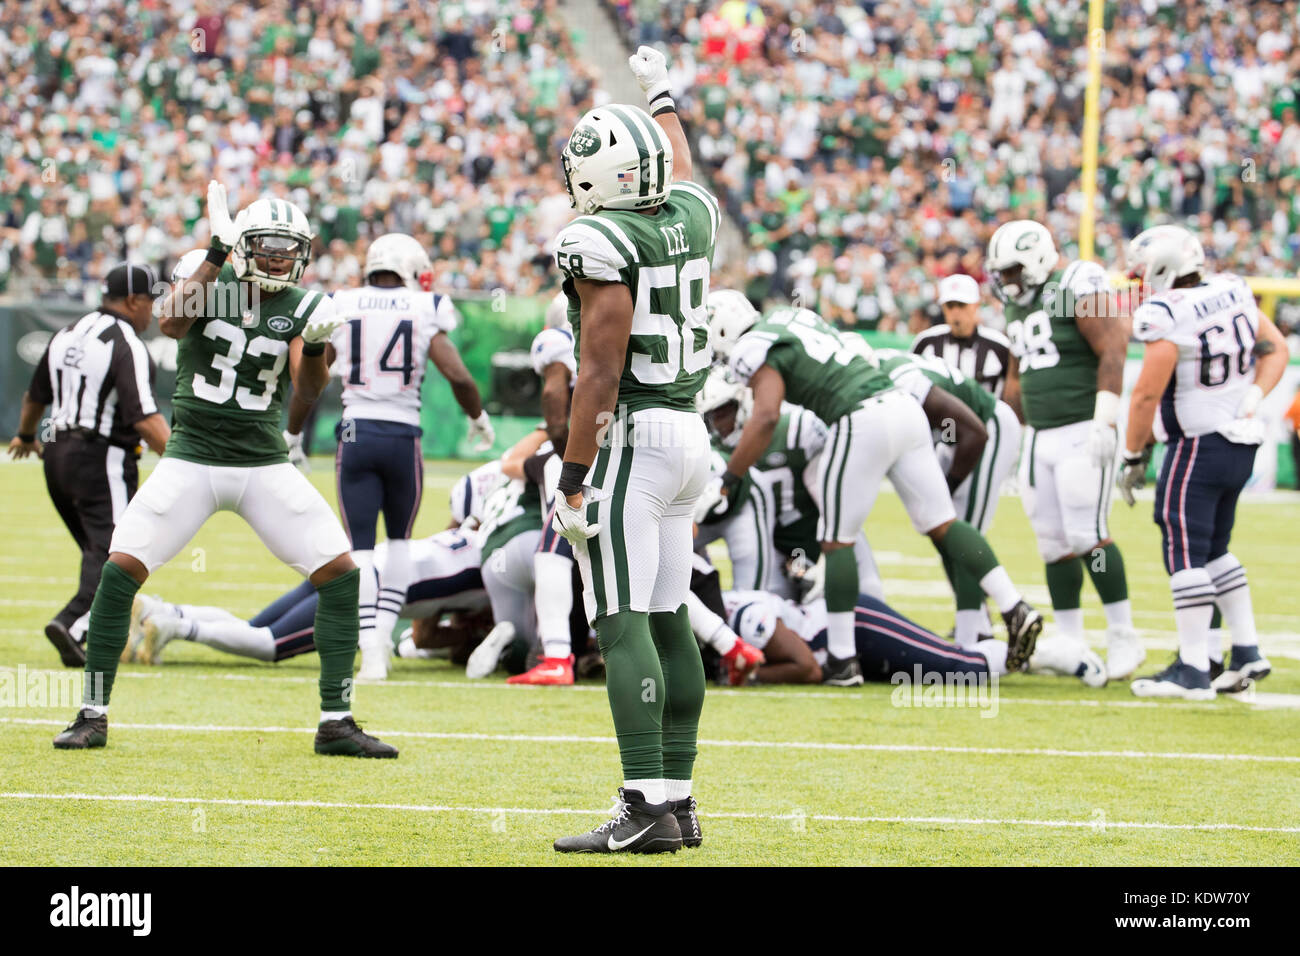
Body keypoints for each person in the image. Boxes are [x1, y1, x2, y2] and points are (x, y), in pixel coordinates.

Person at [51, 182, 395, 758]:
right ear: (243, 246)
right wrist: (215, 251)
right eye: (269, 246)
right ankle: (92, 712)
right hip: (191, 457)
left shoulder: (308, 305)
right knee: (119, 573)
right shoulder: (211, 276)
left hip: (264, 462)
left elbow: (306, 396)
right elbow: (170, 324)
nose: (281, 258)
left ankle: (336, 721)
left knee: (340, 573)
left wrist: (314, 350)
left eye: (290, 249)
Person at [547, 47, 719, 854]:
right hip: (690, 439)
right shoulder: (690, 213)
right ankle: (678, 799)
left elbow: (601, 371)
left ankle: (644, 800)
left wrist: (575, 475)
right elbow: (677, 163)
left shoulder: (598, 240)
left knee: (622, 627)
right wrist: (661, 94)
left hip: (635, 442)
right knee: (668, 616)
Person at [707, 293, 1044, 687]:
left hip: (860, 417)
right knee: (944, 523)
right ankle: (1014, 605)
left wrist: (728, 479)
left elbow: (765, 415)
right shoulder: (786, 316)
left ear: (724, 327)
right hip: (902, 408)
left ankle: (842, 659)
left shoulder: (752, 344)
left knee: (835, 540)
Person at [1119, 225, 1287, 699]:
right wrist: (1251, 398)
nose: (1137, 282)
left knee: (1184, 546)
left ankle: (1193, 670)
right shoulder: (1232, 289)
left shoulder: (1167, 310)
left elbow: (1147, 393)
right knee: (1214, 548)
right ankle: (1245, 651)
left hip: (1197, 443)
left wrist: (1133, 453)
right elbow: (1276, 350)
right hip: (1238, 440)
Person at [322, 232, 493, 680]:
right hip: (402, 434)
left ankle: (370, 648)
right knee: (398, 541)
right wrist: (477, 415)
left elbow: (312, 372)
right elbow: (456, 374)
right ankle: (380, 641)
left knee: (359, 547)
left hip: (355, 430)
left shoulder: (341, 301)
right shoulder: (425, 306)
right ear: (412, 270)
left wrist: (294, 429)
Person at [987, 219, 1144, 679]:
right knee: (1053, 542)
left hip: (1081, 427)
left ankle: (1122, 634)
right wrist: (1012, 431)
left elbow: (1114, 345)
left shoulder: (1072, 282)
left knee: (1086, 535)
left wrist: (1106, 416)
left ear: (1036, 258)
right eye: (1002, 272)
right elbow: (1016, 376)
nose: (1006, 280)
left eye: (1013, 270)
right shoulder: (1019, 305)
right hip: (1040, 436)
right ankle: (1071, 637)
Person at [8, 263, 170, 667]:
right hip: (102, 457)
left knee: (99, 552)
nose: (152, 311)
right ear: (134, 300)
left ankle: (92, 631)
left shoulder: (67, 334)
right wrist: (180, 458)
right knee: (120, 553)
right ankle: (75, 624)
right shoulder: (127, 343)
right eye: (151, 301)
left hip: (56, 455)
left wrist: (26, 436)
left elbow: (34, 394)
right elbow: (145, 418)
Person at [127, 527, 487, 665]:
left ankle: (161, 608)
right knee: (269, 645)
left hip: (350, 561)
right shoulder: (491, 578)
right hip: (363, 588)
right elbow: (424, 636)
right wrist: (469, 636)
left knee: (252, 627)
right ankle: (171, 627)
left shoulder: (469, 534)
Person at [874, 348, 1024, 649]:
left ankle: (984, 630)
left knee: (962, 532)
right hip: (953, 439)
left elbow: (975, 433)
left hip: (989, 429)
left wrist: (950, 484)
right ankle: (977, 629)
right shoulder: (887, 366)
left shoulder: (900, 380)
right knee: (945, 533)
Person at [910, 273, 1013, 400]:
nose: (955, 312)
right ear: (943, 307)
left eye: (961, 305)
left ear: (976, 305)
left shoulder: (999, 345)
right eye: (950, 306)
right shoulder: (926, 342)